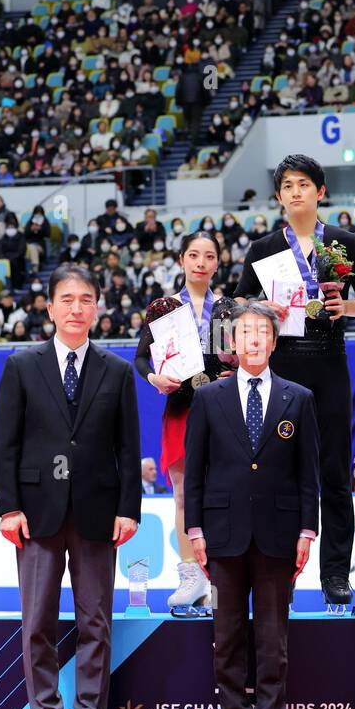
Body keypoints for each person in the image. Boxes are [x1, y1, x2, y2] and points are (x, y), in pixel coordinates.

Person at [0, 263, 141, 709]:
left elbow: (128, 446)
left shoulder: (117, 371)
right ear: (50, 307)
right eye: (67, 299)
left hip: (99, 512)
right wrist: (8, 507)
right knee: (37, 620)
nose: (76, 308)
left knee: (95, 619)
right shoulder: (21, 365)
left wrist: (129, 509)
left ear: (96, 308)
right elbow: (5, 446)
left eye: (85, 300)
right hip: (36, 513)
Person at [234, 154, 355, 609]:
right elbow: (237, 303)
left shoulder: (343, 241)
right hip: (281, 368)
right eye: (288, 185)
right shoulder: (262, 248)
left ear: (320, 192)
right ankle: (281, 575)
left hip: (329, 363)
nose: (296, 191)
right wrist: (261, 311)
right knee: (278, 474)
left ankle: (335, 574)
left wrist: (347, 309)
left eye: (304, 184)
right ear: (278, 197)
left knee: (335, 473)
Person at [183, 301, 320, 709]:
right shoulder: (207, 398)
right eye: (246, 332)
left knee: (272, 633)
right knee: (227, 632)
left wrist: (307, 530)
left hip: (279, 533)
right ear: (233, 342)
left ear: (274, 341)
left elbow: (308, 473)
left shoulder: (297, 397)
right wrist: (196, 530)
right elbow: (196, 471)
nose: (255, 339)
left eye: (263, 332)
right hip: (222, 534)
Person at [133, 231, 235, 614]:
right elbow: (142, 359)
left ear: (217, 263)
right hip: (180, 409)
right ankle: (190, 575)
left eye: (209, 256)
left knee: (222, 495)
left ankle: (220, 579)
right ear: (181, 260)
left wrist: (235, 372)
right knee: (181, 494)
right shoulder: (163, 307)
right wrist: (154, 378)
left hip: (222, 410)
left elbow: (235, 358)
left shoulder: (227, 308)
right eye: (194, 255)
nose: (201, 262)